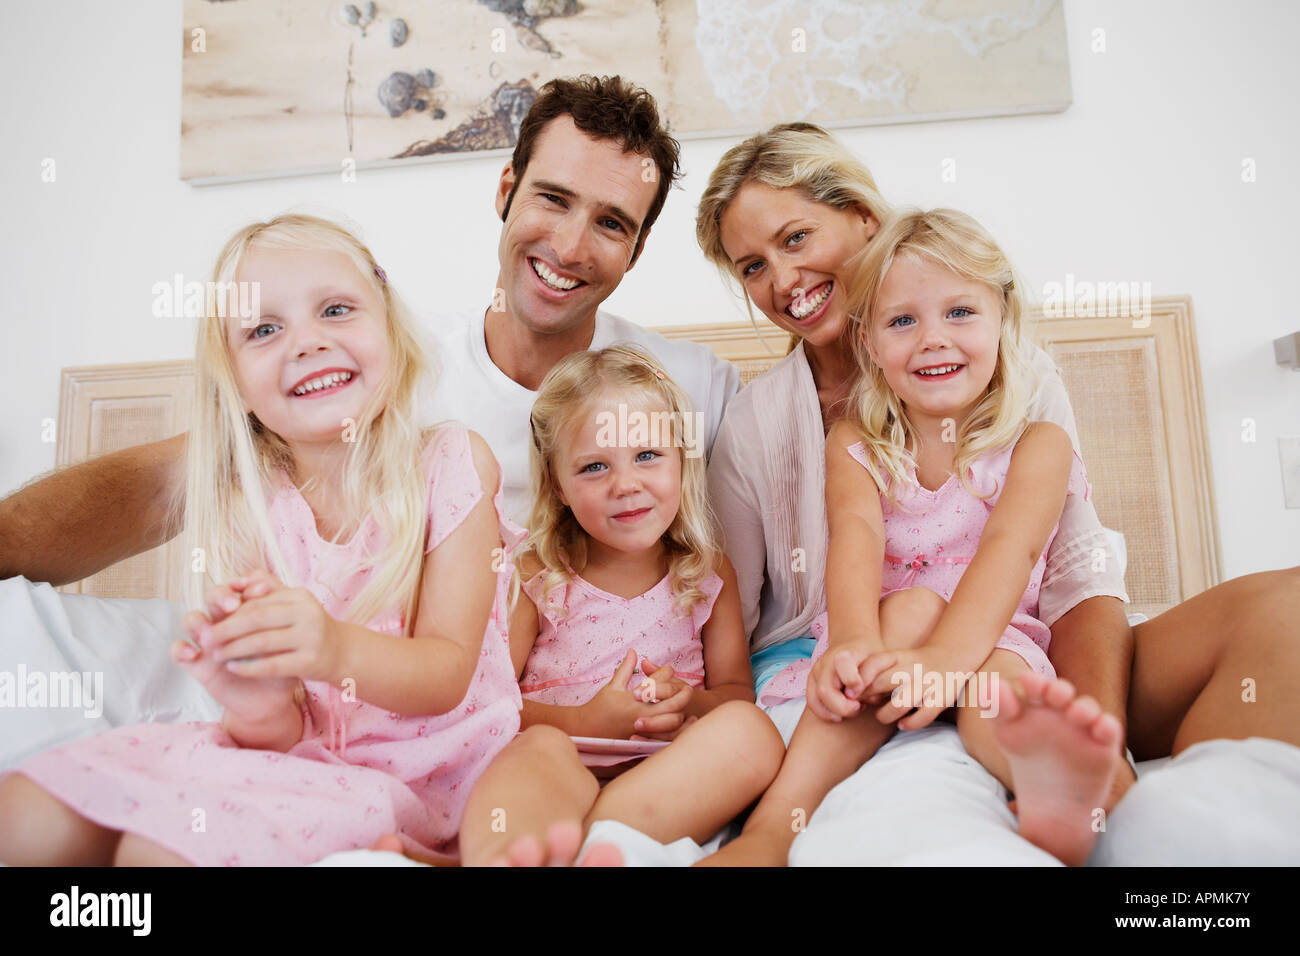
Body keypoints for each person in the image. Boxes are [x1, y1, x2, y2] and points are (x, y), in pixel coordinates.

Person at [695, 122, 1300, 866]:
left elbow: (1064, 570)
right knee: (915, 612)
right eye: (751, 266)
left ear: (862, 216)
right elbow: (738, 606)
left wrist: (1089, 720)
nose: (782, 280)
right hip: (862, 660)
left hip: (1013, 641)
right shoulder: (773, 426)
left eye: (795, 239)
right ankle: (769, 838)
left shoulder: (1025, 393)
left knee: (1287, 605)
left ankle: (1166, 819)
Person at [0, 214, 614, 867]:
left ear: (391, 330)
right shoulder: (251, 503)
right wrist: (252, 703)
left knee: (160, 851)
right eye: (264, 329)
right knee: (29, 812)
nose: (307, 342)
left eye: (336, 309)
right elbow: (283, 727)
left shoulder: (452, 464)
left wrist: (331, 646)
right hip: (302, 761)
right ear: (234, 381)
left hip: (424, 780)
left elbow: (446, 674)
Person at [747, 207, 1123, 866]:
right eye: (902, 321)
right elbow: (855, 538)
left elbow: (1012, 550)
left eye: (960, 313)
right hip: (886, 644)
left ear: (1004, 319)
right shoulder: (856, 444)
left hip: (989, 642)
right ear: (869, 345)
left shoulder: (1039, 444)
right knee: (903, 616)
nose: (932, 340)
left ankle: (1074, 792)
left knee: (1003, 693)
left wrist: (949, 660)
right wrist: (857, 638)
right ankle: (774, 828)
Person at [504, 345, 782, 848]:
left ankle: (603, 839)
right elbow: (489, 701)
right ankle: (571, 843)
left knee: (752, 731)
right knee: (532, 750)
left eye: (647, 456)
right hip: (563, 760)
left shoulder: (706, 573)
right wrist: (582, 721)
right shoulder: (536, 572)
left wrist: (689, 703)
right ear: (557, 484)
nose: (626, 485)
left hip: (665, 775)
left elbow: (736, 693)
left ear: (681, 462)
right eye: (594, 468)